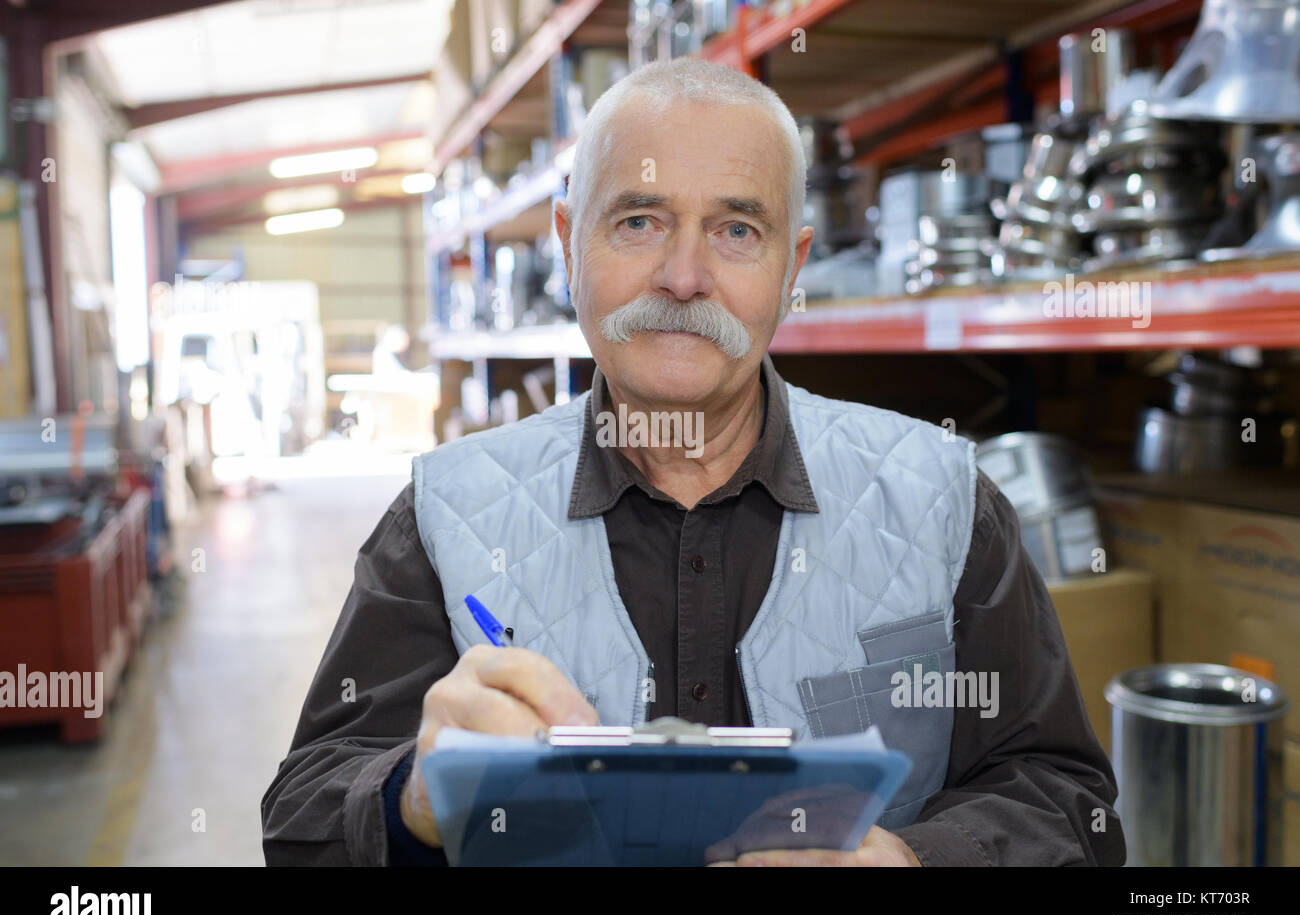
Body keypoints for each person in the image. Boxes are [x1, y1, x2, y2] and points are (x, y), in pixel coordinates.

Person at [262, 58, 1124, 867]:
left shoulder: (942, 501)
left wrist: (913, 858)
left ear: (796, 265)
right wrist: (413, 797)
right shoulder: (444, 518)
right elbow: (300, 820)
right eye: (639, 220)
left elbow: (1067, 802)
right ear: (568, 242)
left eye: (737, 229)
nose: (683, 276)